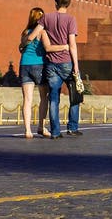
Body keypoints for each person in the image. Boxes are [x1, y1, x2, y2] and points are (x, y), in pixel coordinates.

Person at [35, 0, 82, 138]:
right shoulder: (70, 19)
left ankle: (55, 131)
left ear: (55, 3)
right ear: (68, 4)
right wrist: (76, 66)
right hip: (67, 61)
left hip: (51, 64)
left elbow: (37, 35)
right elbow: (72, 44)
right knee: (75, 94)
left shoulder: (46, 18)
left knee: (53, 98)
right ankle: (72, 127)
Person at [19, 7, 67, 139]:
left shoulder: (25, 33)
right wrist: (65, 46)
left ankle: (27, 130)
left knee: (27, 99)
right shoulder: (42, 32)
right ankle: (41, 126)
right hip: (39, 65)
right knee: (43, 97)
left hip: (24, 65)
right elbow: (48, 48)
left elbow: (21, 48)